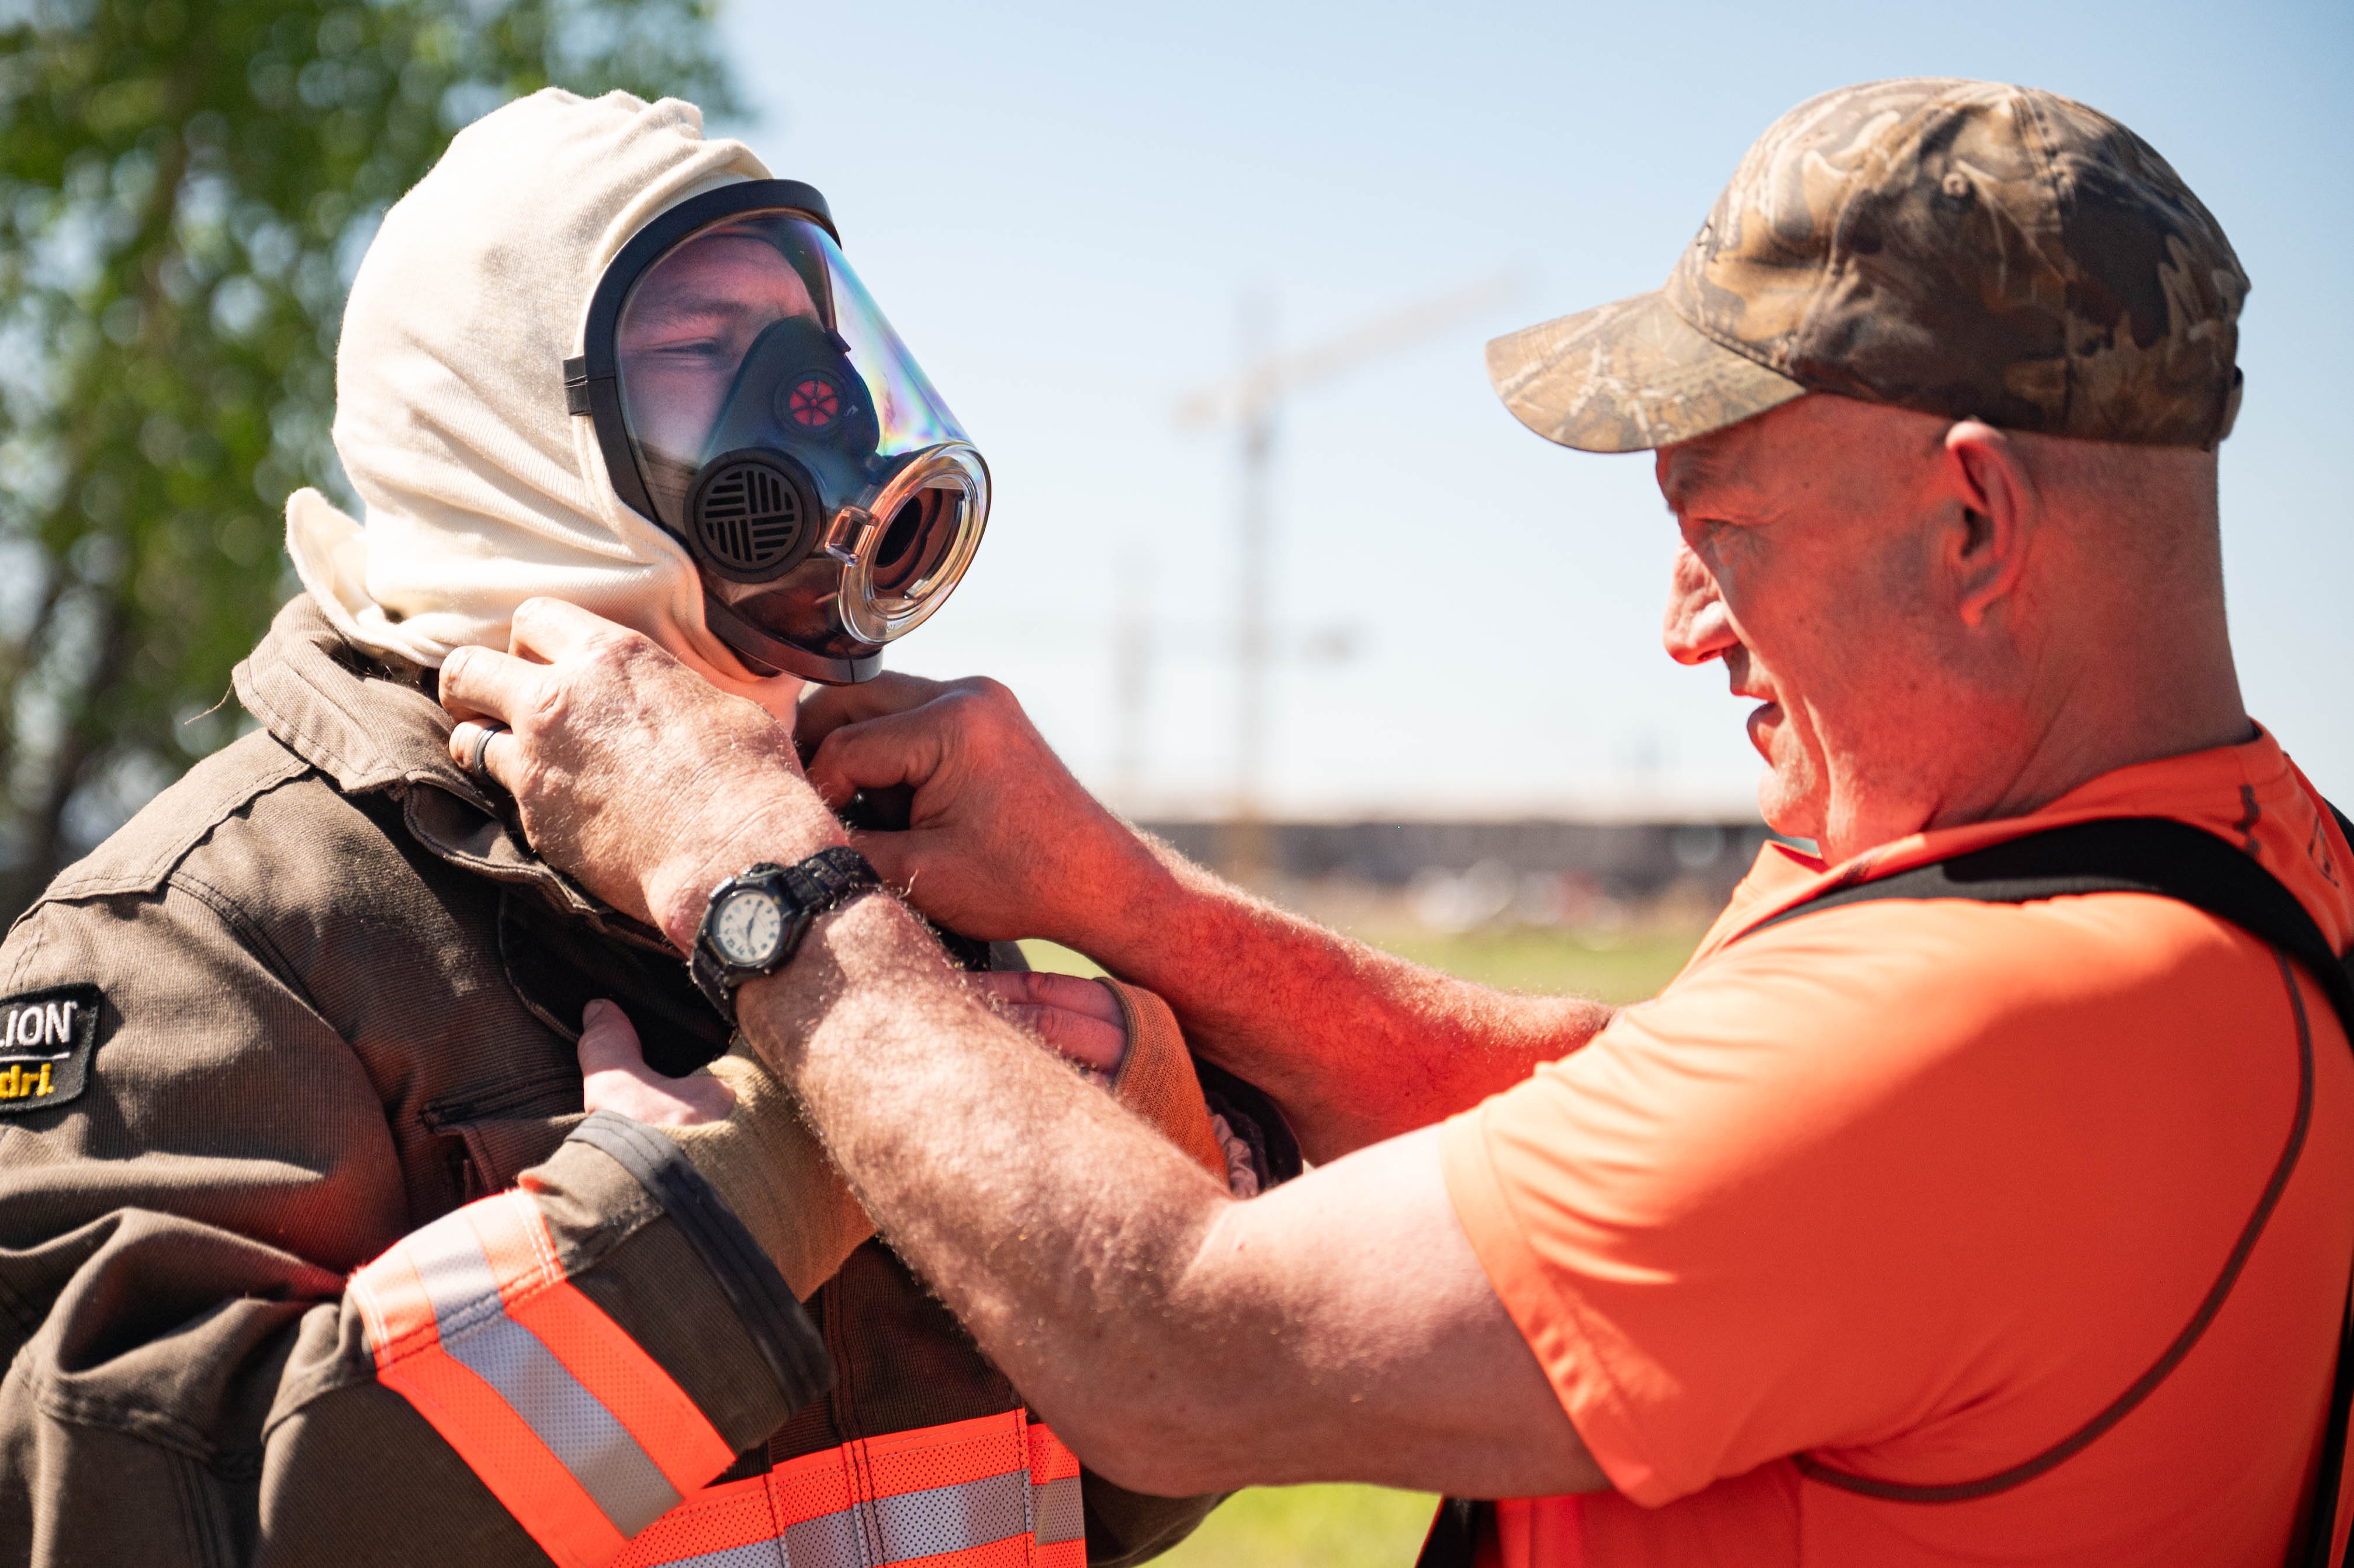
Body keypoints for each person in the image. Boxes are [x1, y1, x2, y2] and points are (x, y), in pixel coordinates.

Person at [441, 78, 2354, 1567]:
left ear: (1969, 523)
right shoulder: (2220, 870)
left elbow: (1186, 1352)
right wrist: (1115, 893)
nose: (1682, 626)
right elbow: (1625, 1115)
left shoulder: (1994, 1036)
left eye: (1718, 533)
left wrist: (751, 874)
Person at [0, 88, 1283, 1567]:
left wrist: (1172, 1152)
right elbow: (120, 1517)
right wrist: (729, 1189)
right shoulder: (211, 934)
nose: (818, 404)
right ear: (500, 428)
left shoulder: (893, 855)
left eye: (821, 342)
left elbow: (1106, 1494)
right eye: (703, 346)